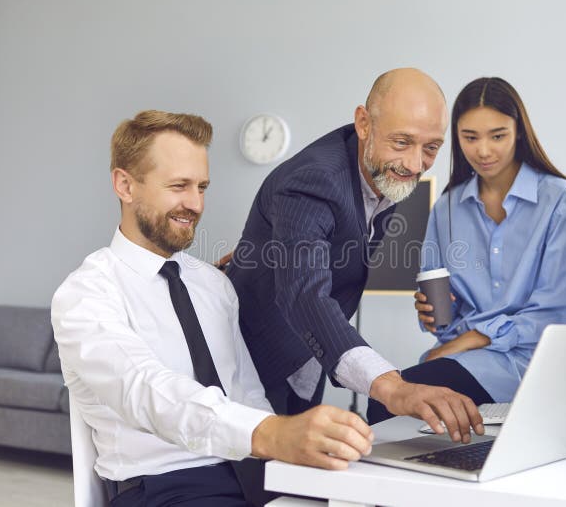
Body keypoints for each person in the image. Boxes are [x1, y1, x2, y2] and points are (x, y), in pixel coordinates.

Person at [51, 110, 374, 507]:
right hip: (164, 488)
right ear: (124, 185)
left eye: (202, 186)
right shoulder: (87, 294)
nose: (195, 203)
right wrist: (272, 433)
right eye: (178, 186)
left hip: (252, 475)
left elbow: (248, 394)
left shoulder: (215, 285)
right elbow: (148, 390)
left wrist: (294, 445)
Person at [226, 68, 485, 443]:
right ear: (364, 123)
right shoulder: (312, 180)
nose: (415, 165)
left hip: (312, 359)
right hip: (257, 361)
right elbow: (304, 294)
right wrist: (392, 386)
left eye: (431, 148)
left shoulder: (384, 171)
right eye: (402, 142)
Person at [367, 77, 566, 423]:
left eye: (497, 135)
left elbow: (558, 314)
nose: (483, 151)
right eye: (470, 137)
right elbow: (443, 323)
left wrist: (470, 339)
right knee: (388, 398)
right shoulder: (448, 208)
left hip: (533, 361)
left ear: (519, 131)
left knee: (393, 399)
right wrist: (433, 314)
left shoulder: (560, 202)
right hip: (467, 360)